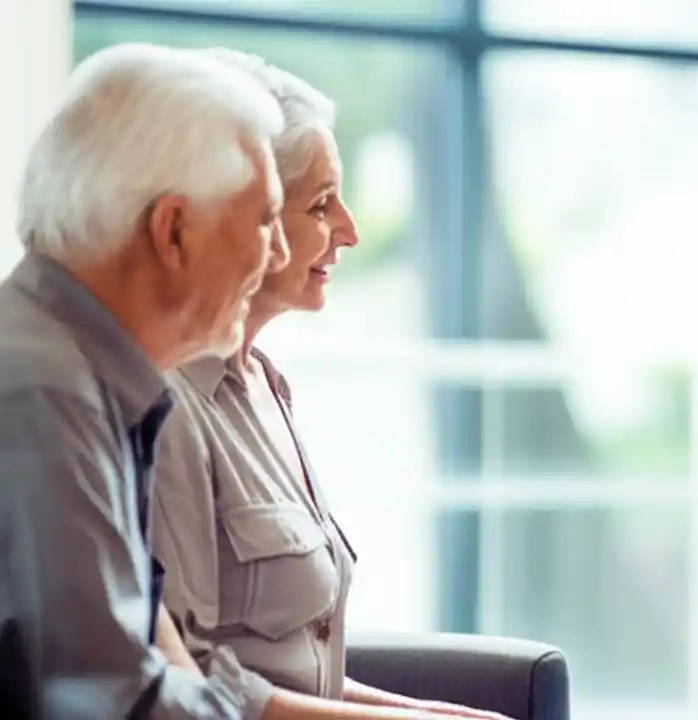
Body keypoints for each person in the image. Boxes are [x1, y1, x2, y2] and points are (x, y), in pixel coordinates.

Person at [150, 50, 507, 720]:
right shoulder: (167, 405)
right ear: (245, 214)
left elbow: (302, 667)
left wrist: (430, 715)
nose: (350, 229)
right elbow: (196, 678)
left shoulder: (265, 386)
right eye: (321, 204)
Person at [0, 42, 291, 718]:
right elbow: (109, 701)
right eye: (266, 218)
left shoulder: (67, 368)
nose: (277, 253)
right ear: (173, 229)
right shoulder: (42, 390)